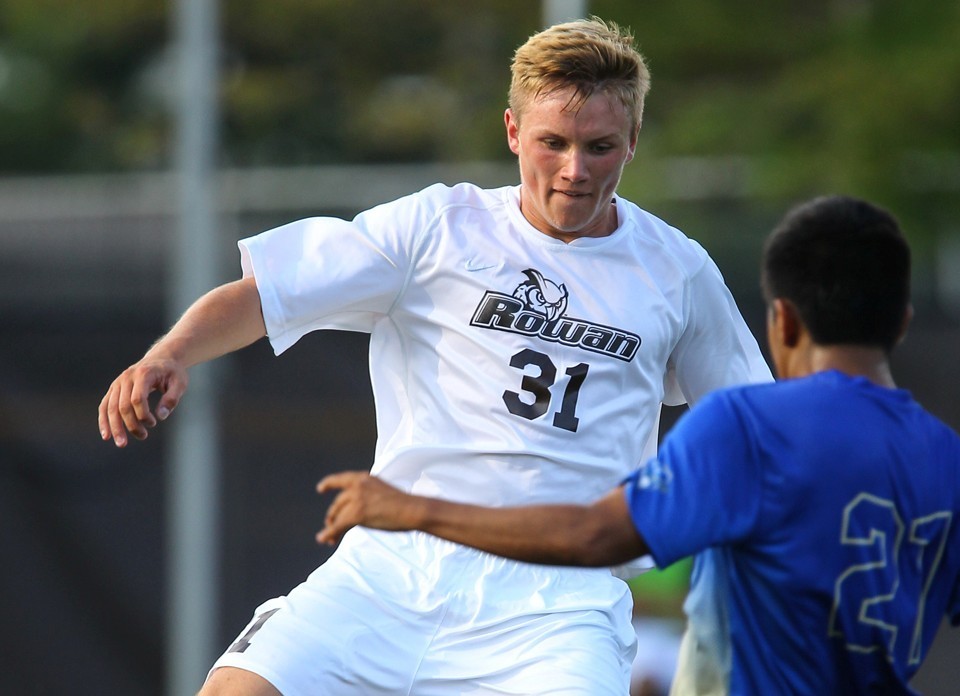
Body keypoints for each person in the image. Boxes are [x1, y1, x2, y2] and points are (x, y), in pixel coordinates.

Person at [98, 17, 771, 696]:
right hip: (393, 568)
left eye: (599, 147)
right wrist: (171, 352)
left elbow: (751, 422)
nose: (574, 169)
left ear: (633, 142)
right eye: (552, 142)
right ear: (512, 132)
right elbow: (265, 295)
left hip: (557, 605)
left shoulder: (677, 271)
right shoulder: (437, 226)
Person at [317, 195, 960, 695]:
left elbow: (591, 536)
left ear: (783, 321)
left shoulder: (748, 427)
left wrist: (417, 510)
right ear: (903, 323)